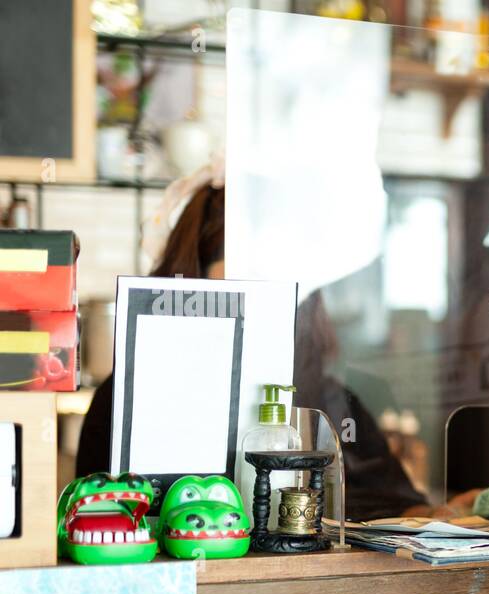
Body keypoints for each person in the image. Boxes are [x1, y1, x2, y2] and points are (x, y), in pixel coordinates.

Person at [75, 179, 429, 520]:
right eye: (239, 292)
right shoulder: (124, 402)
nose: (260, 312)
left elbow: (398, 509)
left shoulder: (328, 403)